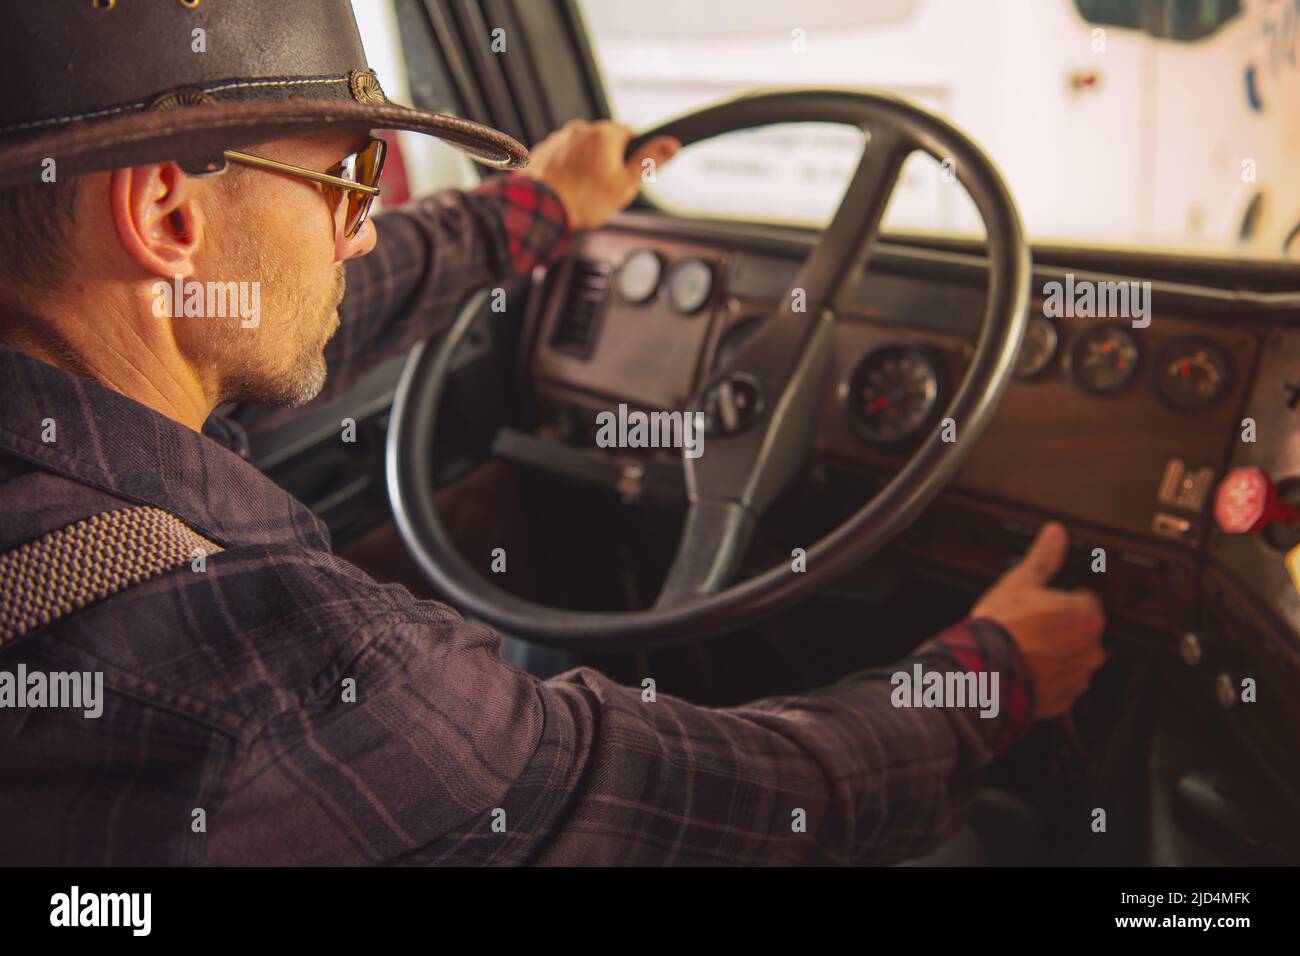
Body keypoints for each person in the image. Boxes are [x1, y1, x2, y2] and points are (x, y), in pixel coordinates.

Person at [0, 0, 1105, 864]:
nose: (359, 231)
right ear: (165, 216)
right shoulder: (264, 677)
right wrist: (983, 680)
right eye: (345, 177)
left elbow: (270, 294)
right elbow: (706, 805)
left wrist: (529, 214)